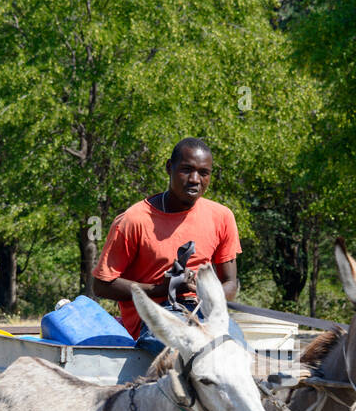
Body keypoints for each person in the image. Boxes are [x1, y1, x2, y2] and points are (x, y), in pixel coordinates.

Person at [91, 137, 247, 354]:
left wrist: (203, 290)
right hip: (154, 317)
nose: (195, 179)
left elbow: (230, 285)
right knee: (193, 357)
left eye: (204, 173)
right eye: (186, 170)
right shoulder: (134, 220)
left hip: (208, 314)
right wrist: (162, 288)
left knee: (238, 354)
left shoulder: (222, 217)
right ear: (169, 168)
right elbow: (101, 285)